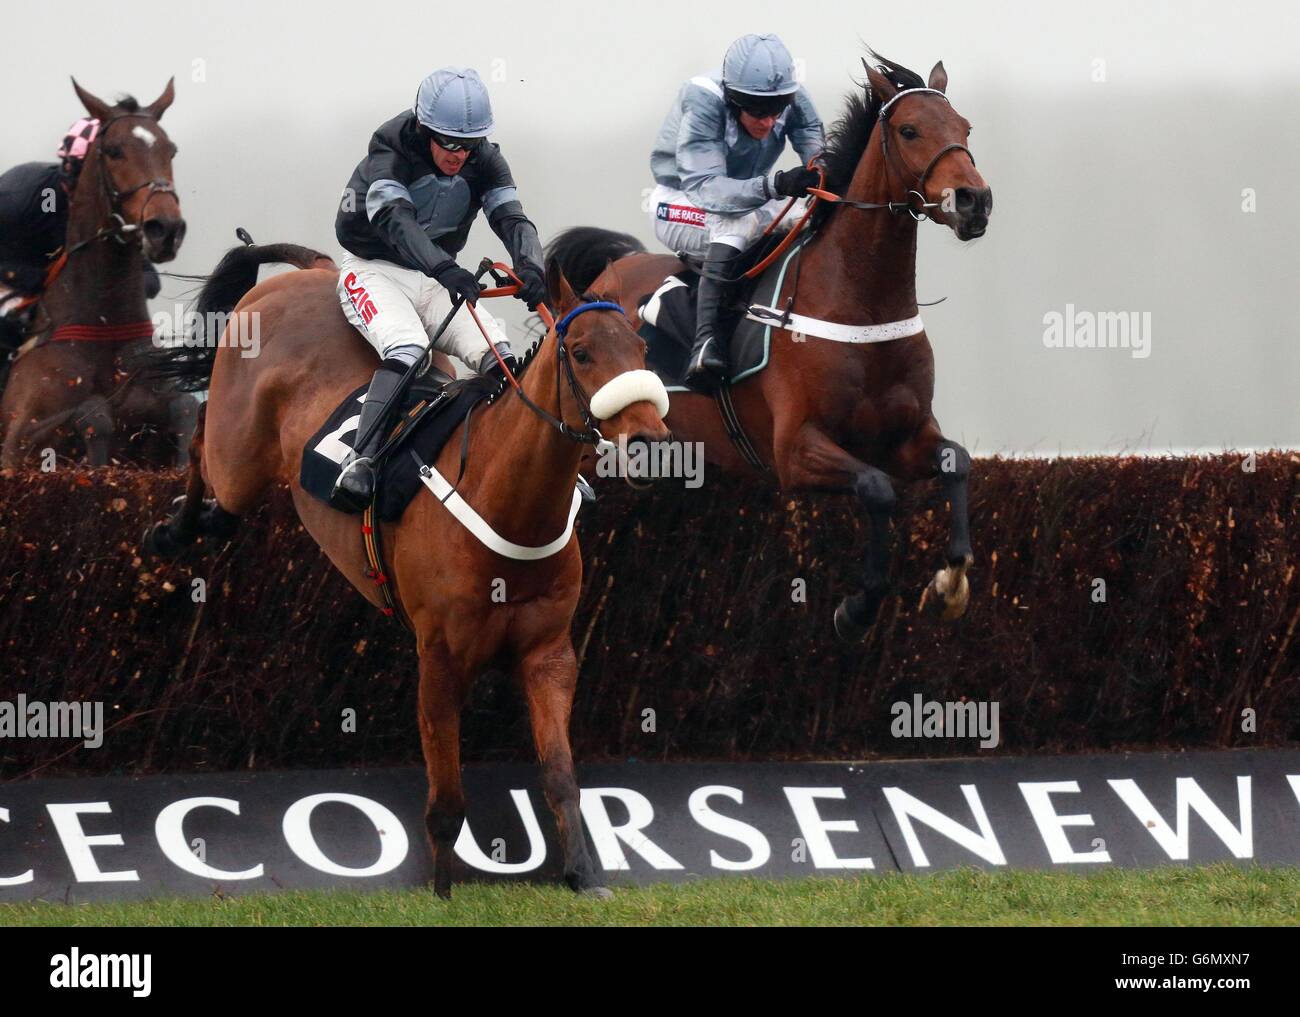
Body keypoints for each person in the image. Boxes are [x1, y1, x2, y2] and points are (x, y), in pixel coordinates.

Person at [332, 66, 547, 508]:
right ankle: (360, 461)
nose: (458, 156)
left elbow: (512, 218)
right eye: (449, 143)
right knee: (411, 349)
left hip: (433, 274)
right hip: (372, 268)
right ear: (424, 129)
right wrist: (446, 267)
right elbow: (396, 221)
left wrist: (531, 265)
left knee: (501, 355)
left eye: (468, 146)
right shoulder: (389, 148)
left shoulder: (485, 159)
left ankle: (538, 464)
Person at [649, 33, 824, 390]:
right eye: (756, 112)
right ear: (732, 99)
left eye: (776, 111)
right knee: (738, 222)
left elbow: (815, 145)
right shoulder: (702, 99)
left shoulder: (788, 94)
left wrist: (824, 172)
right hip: (682, 200)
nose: (768, 123)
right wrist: (775, 184)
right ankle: (704, 343)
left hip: (746, 197)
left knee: (807, 217)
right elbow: (709, 189)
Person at [0, 117, 161, 353]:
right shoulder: (19, 196)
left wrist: (111, 289)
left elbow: (150, 279)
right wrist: (33, 279)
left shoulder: (109, 213)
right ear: (68, 167)